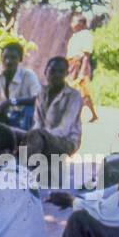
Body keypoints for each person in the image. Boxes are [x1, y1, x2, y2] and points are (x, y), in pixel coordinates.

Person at [22, 56, 83, 186]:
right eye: (53, 71)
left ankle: (23, 177)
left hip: (66, 141)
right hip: (42, 137)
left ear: (67, 74)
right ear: (45, 73)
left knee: (35, 138)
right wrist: (33, 136)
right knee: (17, 136)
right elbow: (37, 120)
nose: (56, 75)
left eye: (61, 72)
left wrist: (41, 135)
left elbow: (64, 128)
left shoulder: (74, 96)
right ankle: (27, 174)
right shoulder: (42, 93)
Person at [66, 14, 99, 123]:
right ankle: (89, 115)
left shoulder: (86, 35)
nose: (72, 24)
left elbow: (86, 55)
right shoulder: (75, 36)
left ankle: (85, 115)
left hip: (79, 66)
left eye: (74, 22)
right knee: (75, 90)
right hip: (72, 65)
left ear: (81, 24)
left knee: (83, 92)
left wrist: (82, 72)